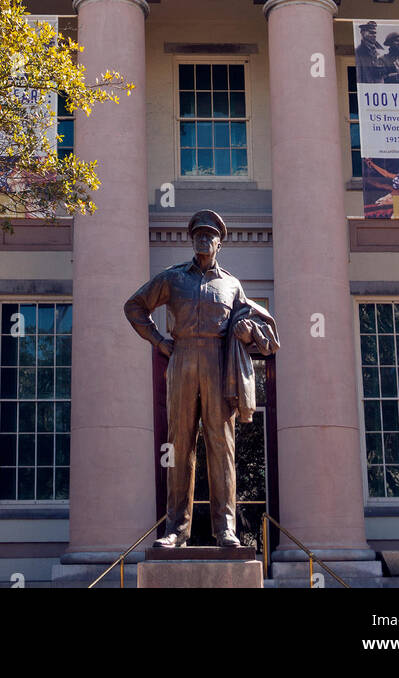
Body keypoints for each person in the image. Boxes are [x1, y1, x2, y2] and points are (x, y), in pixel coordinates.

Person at [124, 210, 277, 548]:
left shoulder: (232, 284)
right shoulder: (173, 278)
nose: (203, 240)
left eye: (210, 235)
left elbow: (257, 327)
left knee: (222, 447)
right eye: (198, 235)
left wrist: (246, 328)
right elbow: (134, 306)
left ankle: (226, 529)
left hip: (217, 364)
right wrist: (160, 341)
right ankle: (176, 530)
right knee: (180, 447)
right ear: (191, 239)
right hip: (181, 361)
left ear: (219, 243)